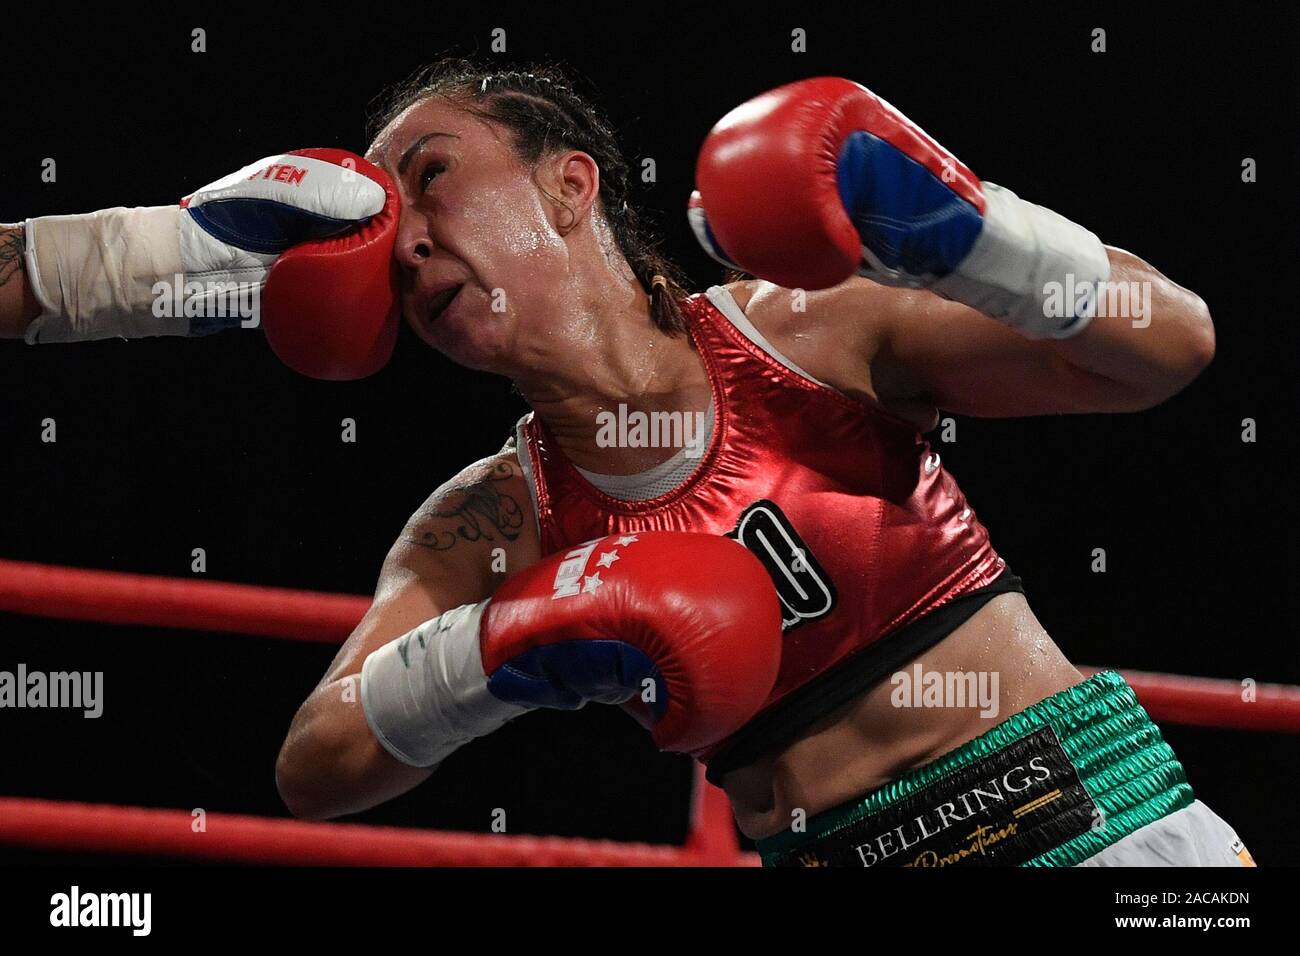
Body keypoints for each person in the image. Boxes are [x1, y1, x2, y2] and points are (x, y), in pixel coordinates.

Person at [0, 58, 1252, 867]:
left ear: (567, 185)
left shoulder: (809, 328)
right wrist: (495, 650)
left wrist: (974, 234)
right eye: (379, 232)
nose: (407, 245)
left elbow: (1167, 344)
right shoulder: (493, 515)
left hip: (1098, 828)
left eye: (428, 181)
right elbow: (315, 762)